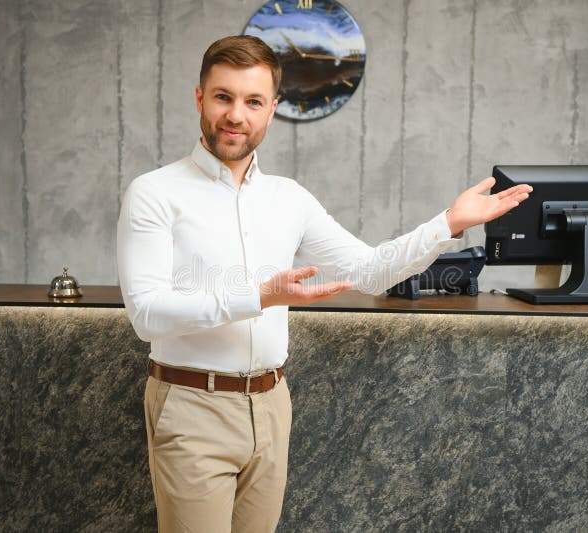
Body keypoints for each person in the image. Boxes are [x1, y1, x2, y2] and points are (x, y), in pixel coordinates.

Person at [117, 35, 531, 533]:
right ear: (200, 97)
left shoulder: (289, 199)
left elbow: (372, 271)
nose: (236, 116)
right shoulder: (154, 193)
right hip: (191, 407)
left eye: (253, 102)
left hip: (272, 407)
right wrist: (262, 297)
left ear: (272, 110)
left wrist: (448, 223)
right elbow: (147, 314)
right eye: (223, 97)